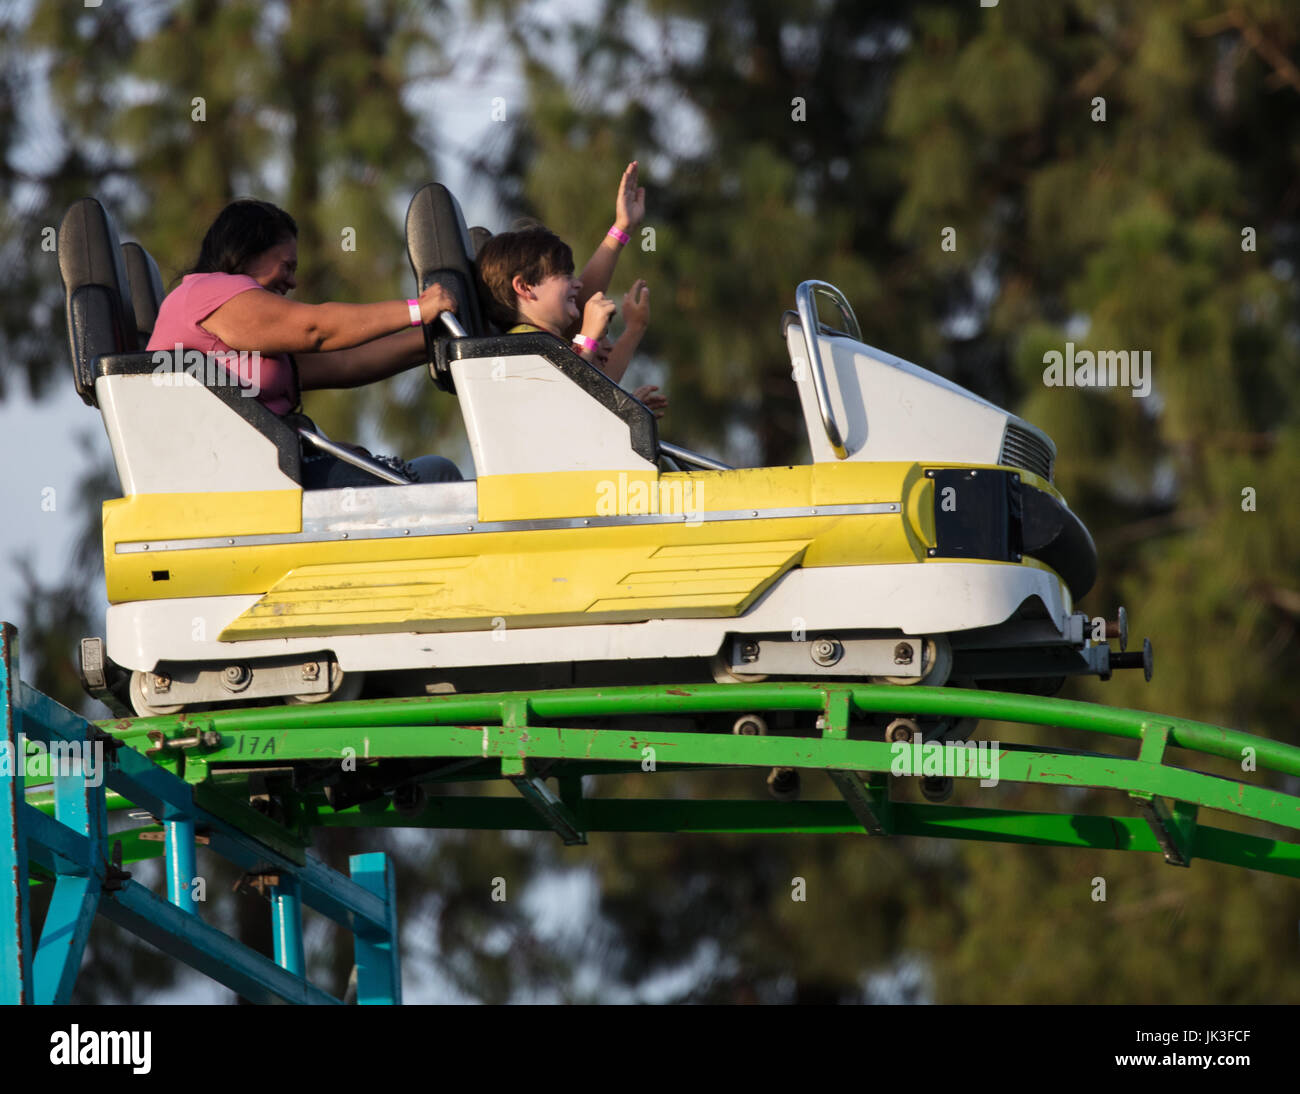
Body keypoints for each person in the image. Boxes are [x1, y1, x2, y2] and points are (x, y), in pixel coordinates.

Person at [146, 198, 462, 488]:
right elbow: (316, 329)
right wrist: (417, 309)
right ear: (248, 251)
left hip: (264, 472)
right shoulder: (206, 292)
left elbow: (346, 363)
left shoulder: (248, 340)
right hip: (235, 481)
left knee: (437, 472)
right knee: (436, 479)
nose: (293, 282)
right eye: (287, 266)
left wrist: (438, 341)